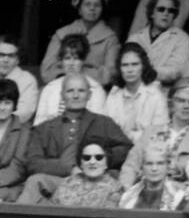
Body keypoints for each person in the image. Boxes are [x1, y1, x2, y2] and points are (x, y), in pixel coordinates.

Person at [19, 74, 131, 204]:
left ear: (89, 95)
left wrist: (99, 159)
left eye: (81, 91)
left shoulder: (103, 123)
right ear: (62, 95)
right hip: (57, 180)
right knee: (34, 181)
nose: (76, 95)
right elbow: (33, 162)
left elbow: (126, 149)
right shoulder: (44, 128)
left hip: (92, 180)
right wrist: (69, 168)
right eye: (70, 91)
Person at [119, 76, 189, 197]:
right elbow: (131, 165)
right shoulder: (150, 131)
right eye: (180, 100)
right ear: (171, 103)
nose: (186, 106)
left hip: (181, 196)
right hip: (144, 192)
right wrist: (126, 189)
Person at [40, 0, 120, 87]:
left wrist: (79, 73)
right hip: (61, 86)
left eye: (97, 5)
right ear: (79, 9)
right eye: (87, 4)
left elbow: (111, 74)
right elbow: (47, 70)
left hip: (94, 88)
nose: (92, 8)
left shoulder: (110, 38)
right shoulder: (61, 34)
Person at [103, 43, 168, 145]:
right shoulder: (114, 94)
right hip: (117, 149)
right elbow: (106, 130)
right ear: (119, 68)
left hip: (148, 151)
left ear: (143, 66)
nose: (129, 70)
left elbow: (159, 135)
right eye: (125, 65)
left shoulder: (156, 96)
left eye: (135, 64)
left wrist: (128, 136)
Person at [34, 33, 107, 125]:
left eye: (76, 59)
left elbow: (99, 125)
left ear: (83, 61)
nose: (71, 63)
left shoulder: (95, 89)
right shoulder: (50, 88)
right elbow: (38, 124)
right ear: (61, 61)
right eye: (67, 58)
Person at [128, 0, 189, 84]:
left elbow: (176, 70)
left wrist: (145, 71)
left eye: (171, 11)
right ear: (152, 13)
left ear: (174, 15)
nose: (166, 13)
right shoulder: (135, 38)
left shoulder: (183, 39)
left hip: (162, 91)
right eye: (161, 9)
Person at [119, 144, 189, 211]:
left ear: (167, 166)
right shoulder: (128, 196)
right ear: (142, 167)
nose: (154, 168)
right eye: (149, 164)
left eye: (160, 163)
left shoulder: (179, 196)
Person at [53, 143, 124, 208]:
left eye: (99, 157)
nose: (92, 162)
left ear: (106, 163)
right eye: (87, 158)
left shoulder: (116, 189)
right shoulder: (66, 183)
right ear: (81, 163)